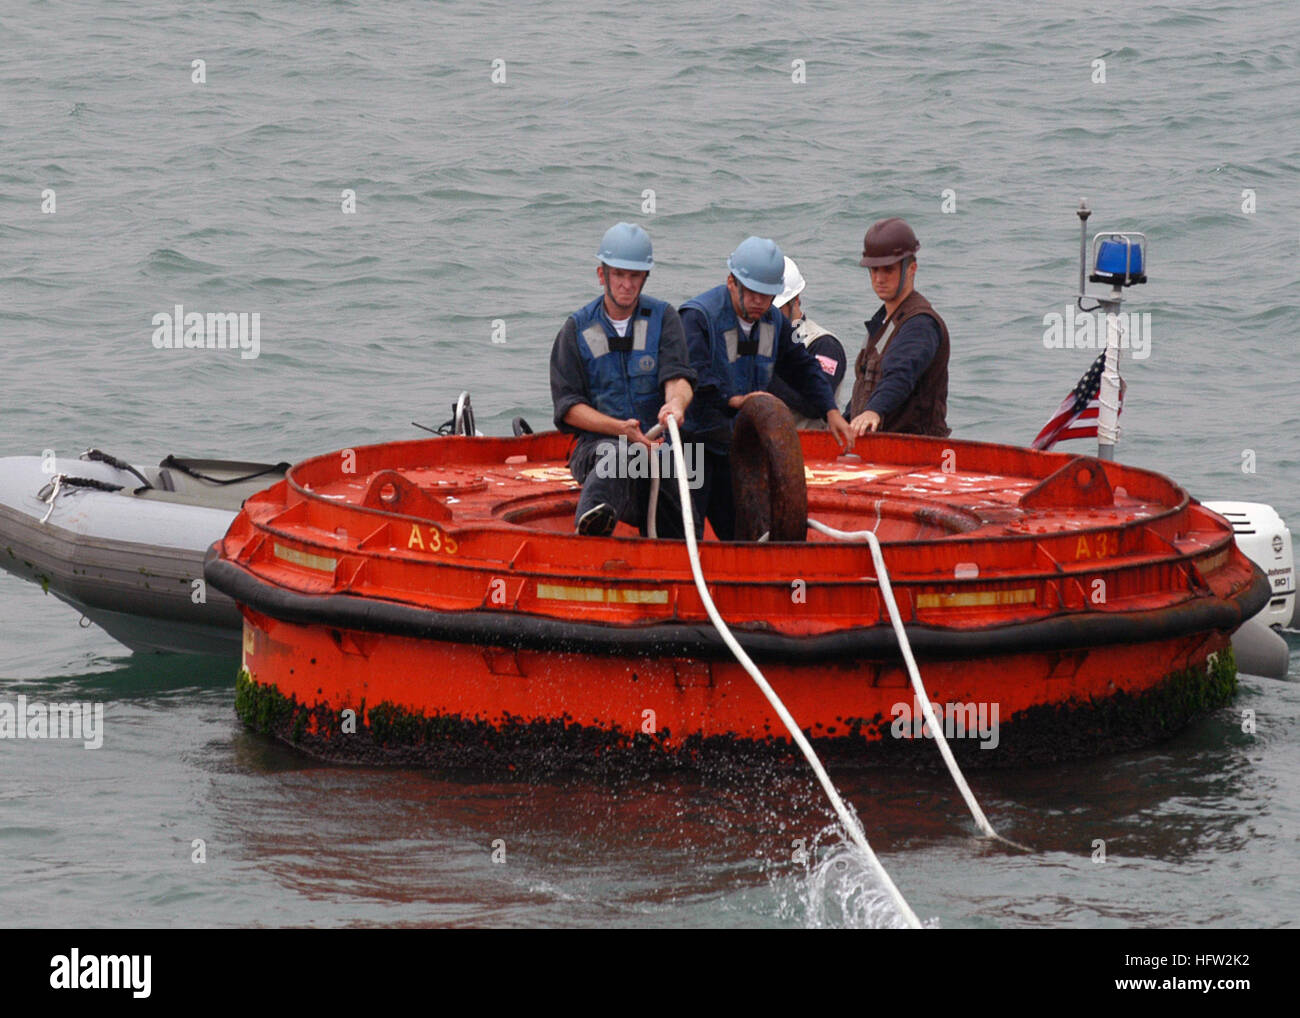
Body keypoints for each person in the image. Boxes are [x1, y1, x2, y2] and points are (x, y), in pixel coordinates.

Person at [680, 236, 853, 540]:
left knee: (749, 533)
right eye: (753, 293)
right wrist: (734, 400)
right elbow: (692, 375)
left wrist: (831, 409)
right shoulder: (698, 318)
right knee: (686, 533)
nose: (760, 302)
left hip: (740, 449)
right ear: (732, 282)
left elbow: (802, 366)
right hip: (693, 445)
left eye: (768, 295)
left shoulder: (773, 322)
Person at [550, 223, 696, 537]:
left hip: (657, 447)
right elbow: (568, 407)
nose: (626, 285)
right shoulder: (575, 329)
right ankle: (591, 527)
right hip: (598, 448)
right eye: (619, 274)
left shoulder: (664, 319)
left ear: (645, 278)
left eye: (634, 276)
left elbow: (678, 378)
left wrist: (676, 405)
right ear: (602, 275)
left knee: (686, 486)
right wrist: (621, 430)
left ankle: (682, 559)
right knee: (618, 455)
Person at [847, 217, 951, 438]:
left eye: (888, 270)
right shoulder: (883, 321)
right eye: (874, 270)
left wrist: (874, 411)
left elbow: (900, 374)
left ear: (911, 268)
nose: (879, 278)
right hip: (875, 446)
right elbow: (863, 387)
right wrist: (845, 422)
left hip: (914, 449)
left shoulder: (920, 325)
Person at [768, 256, 847, 428]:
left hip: (808, 446)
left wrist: (765, 375)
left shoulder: (823, 344)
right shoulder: (760, 339)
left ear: (795, 300)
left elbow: (815, 406)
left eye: (775, 309)